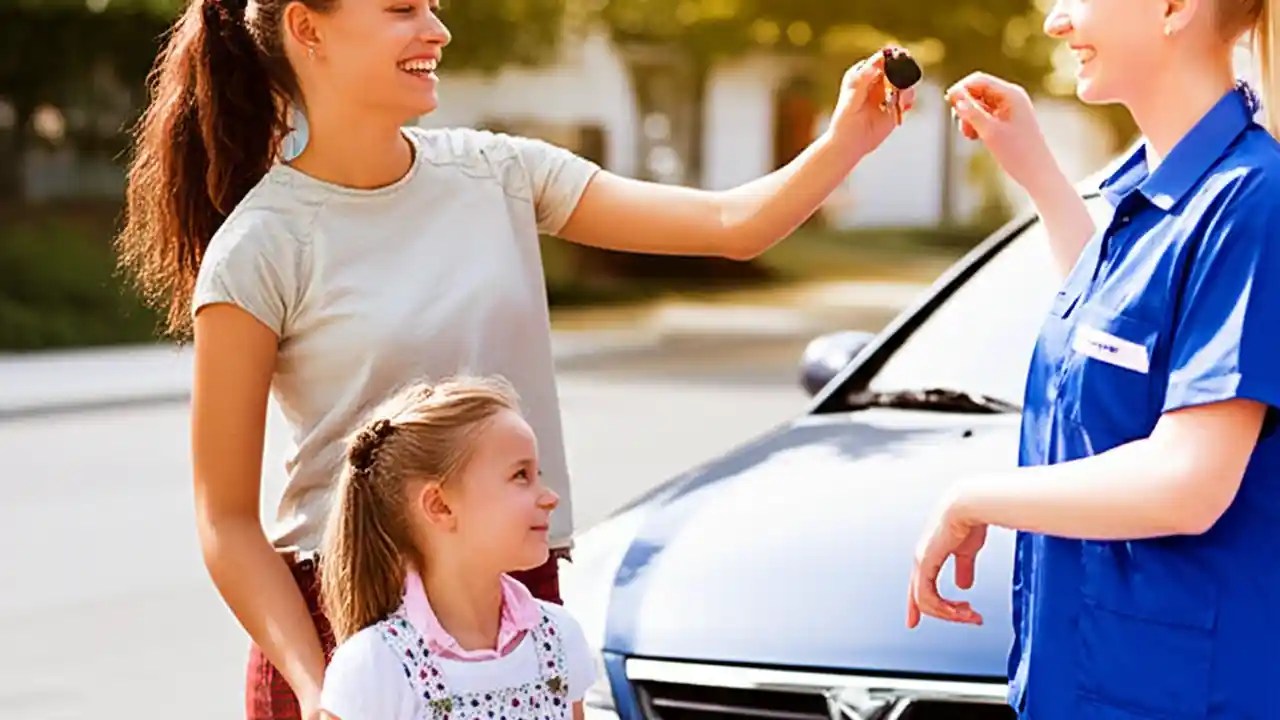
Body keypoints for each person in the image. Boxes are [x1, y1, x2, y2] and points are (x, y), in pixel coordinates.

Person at [113, 0, 917, 716]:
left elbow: (730, 226)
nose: (437, 29)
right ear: (306, 27)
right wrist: (320, 685)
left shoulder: (500, 173)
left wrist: (847, 139)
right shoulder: (259, 247)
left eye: (432, 6)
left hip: (516, 613)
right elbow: (225, 521)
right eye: (402, 9)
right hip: (344, 630)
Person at [905, 0, 1280, 717]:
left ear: (1174, 7)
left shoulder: (1254, 203)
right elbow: (1114, 347)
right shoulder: (1158, 193)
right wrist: (1037, 172)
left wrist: (971, 497)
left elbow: (1188, 481)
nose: (1056, 21)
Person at [315, 376, 594, 720]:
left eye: (539, 474)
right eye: (520, 475)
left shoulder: (559, 639)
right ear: (440, 506)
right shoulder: (375, 667)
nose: (550, 498)